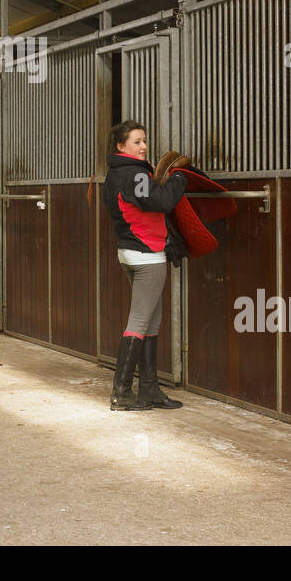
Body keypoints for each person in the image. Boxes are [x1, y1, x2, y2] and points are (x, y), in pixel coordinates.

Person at [102, 120, 187, 411]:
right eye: (137, 142)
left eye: (144, 140)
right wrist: (178, 180)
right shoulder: (134, 174)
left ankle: (149, 389)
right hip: (147, 255)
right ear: (121, 146)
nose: (143, 146)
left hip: (130, 252)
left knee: (151, 321)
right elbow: (161, 202)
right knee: (139, 322)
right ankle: (121, 393)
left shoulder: (115, 174)